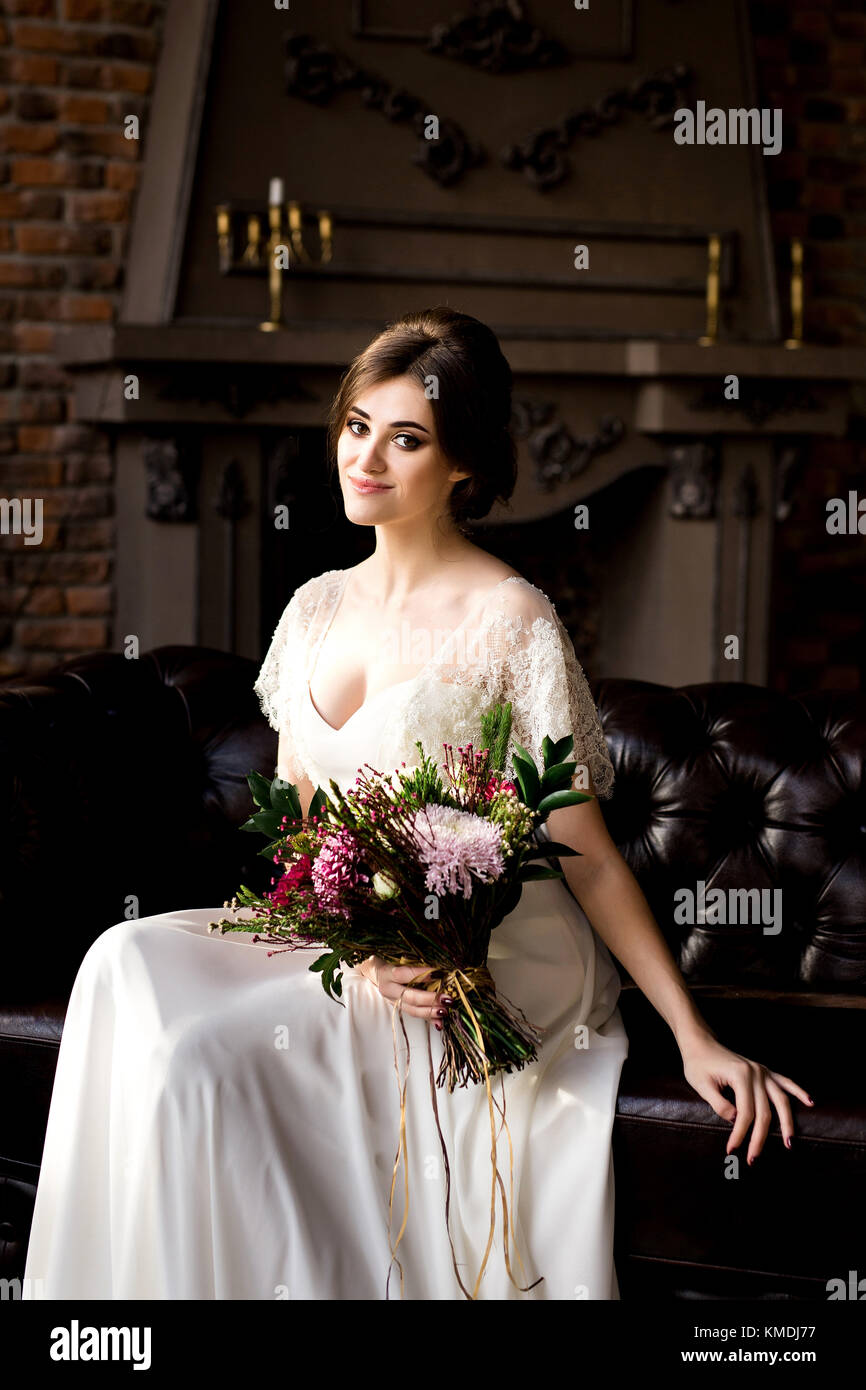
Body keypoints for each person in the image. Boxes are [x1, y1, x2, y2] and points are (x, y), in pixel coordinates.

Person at [23, 307, 812, 1301]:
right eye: (357, 425)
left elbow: (582, 847)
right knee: (120, 958)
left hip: (485, 956)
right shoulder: (313, 608)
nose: (368, 457)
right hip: (353, 933)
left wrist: (693, 1037)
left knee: (197, 1063)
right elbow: (305, 829)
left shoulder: (508, 616)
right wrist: (353, 944)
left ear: (464, 464)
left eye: (406, 438)